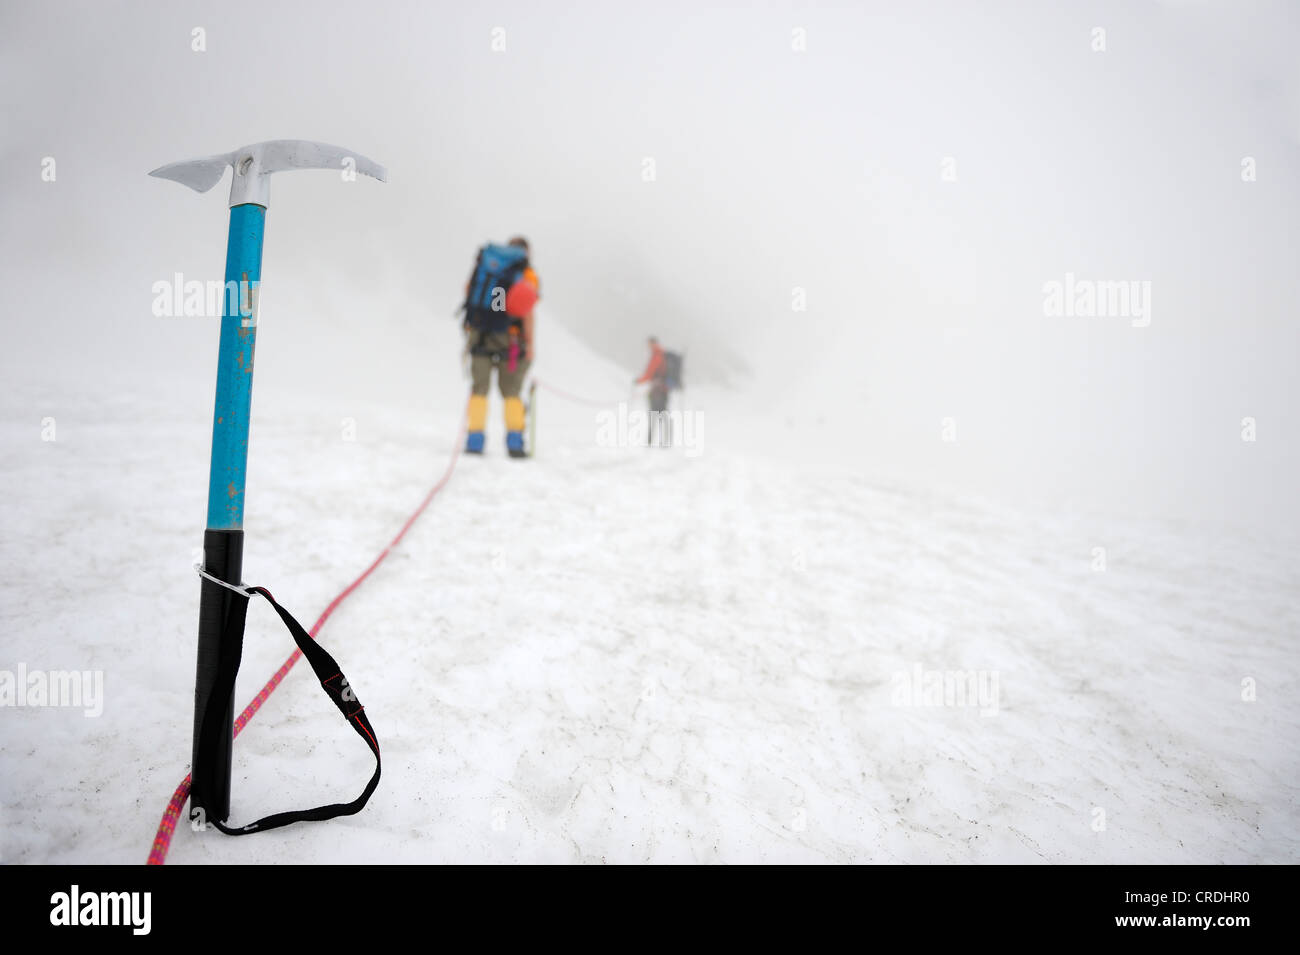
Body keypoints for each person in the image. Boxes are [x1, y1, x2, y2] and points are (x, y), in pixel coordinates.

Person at [461, 237, 539, 458]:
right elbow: (527, 311)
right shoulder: (525, 273)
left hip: (480, 335)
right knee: (511, 392)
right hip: (510, 339)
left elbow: (468, 291)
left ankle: (475, 441)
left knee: (479, 389)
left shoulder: (487, 266)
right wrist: (530, 344)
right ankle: (515, 442)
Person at [634, 336, 670, 446]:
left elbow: (650, 373)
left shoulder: (657, 356)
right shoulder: (661, 354)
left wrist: (639, 381)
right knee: (662, 414)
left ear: (652, 343)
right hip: (663, 390)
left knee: (655, 414)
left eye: (649, 344)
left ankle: (652, 441)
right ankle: (663, 440)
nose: (648, 346)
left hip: (657, 390)